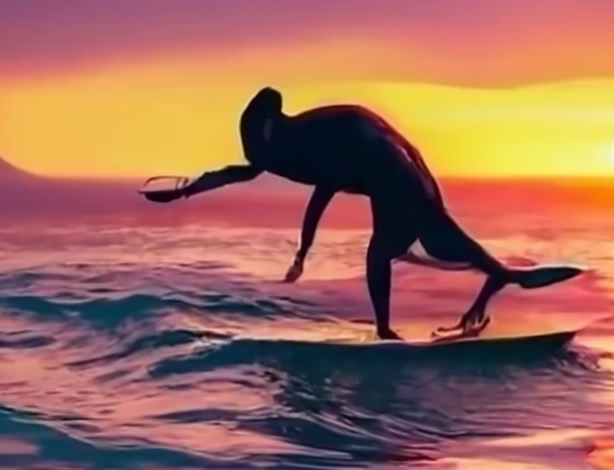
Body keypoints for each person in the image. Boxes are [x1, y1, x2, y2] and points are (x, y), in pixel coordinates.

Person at [143, 87, 581, 340]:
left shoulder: (306, 139)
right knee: (436, 236)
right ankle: (500, 279)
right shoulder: (275, 146)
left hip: (396, 171)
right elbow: (237, 172)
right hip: (393, 171)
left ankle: (388, 331)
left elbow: (323, 192)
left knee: (386, 253)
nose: (255, 151)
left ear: (271, 127)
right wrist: (186, 192)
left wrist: (302, 253)